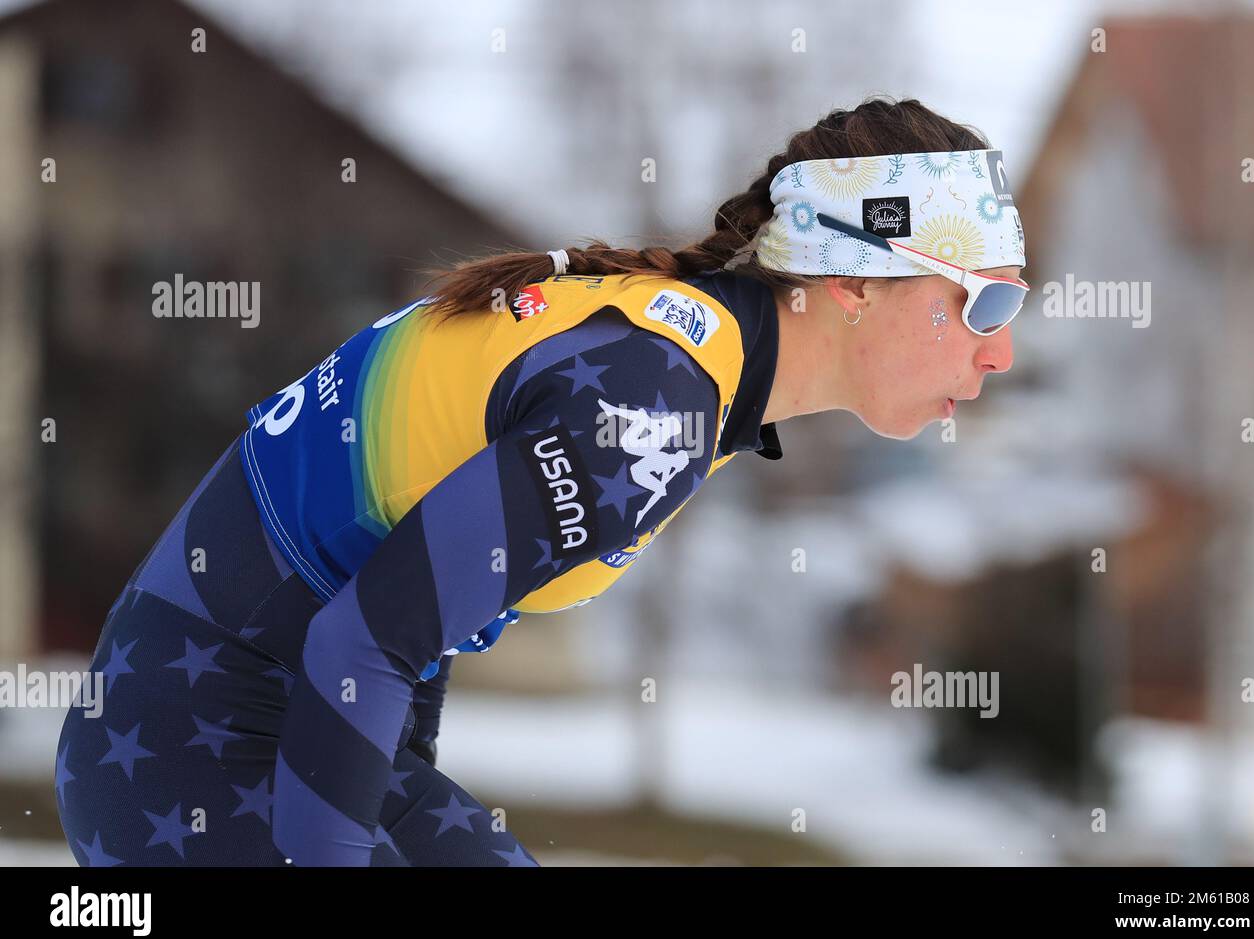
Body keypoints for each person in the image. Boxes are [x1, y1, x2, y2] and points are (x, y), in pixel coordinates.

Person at [55, 96, 1029, 866]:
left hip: (250, 721)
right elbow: (369, 637)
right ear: (854, 281)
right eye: (984, 299)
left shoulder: (679, 361)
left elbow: (405, 615)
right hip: (190, 752)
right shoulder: (650, 405)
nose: (1003, 352)